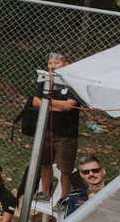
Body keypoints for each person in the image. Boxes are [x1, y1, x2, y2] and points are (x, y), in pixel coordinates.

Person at [30, 53, 84, 199]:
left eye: (56, 63)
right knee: (45, 163)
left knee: (65, 169)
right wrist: (57, 105)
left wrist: (48, 101)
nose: (52, 66)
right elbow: (35, 101)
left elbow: (69, 105)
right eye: (49, 63)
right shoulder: (45, 79)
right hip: (46, 130)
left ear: (66, 63)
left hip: (66, 134)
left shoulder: (72, 82)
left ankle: (63, 198)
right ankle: (45, 192)